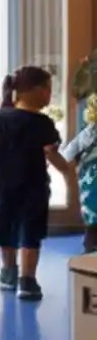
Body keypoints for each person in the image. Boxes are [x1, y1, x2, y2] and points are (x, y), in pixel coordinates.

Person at [0, 66, 74, 301]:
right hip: (35, 189)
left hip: (5, 187)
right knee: (31, 233)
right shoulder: (43, 123)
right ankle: (28, 280)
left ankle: (8, 272)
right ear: (34, 91)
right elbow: (51, 153)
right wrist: (67, 171)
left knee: (6, 229)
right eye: (47, 89)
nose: (49, 95)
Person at [61, 94, 97, 253]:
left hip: (89, 185)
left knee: (92, 225)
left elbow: (68, 155)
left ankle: (89, 254)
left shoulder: (88, 132)